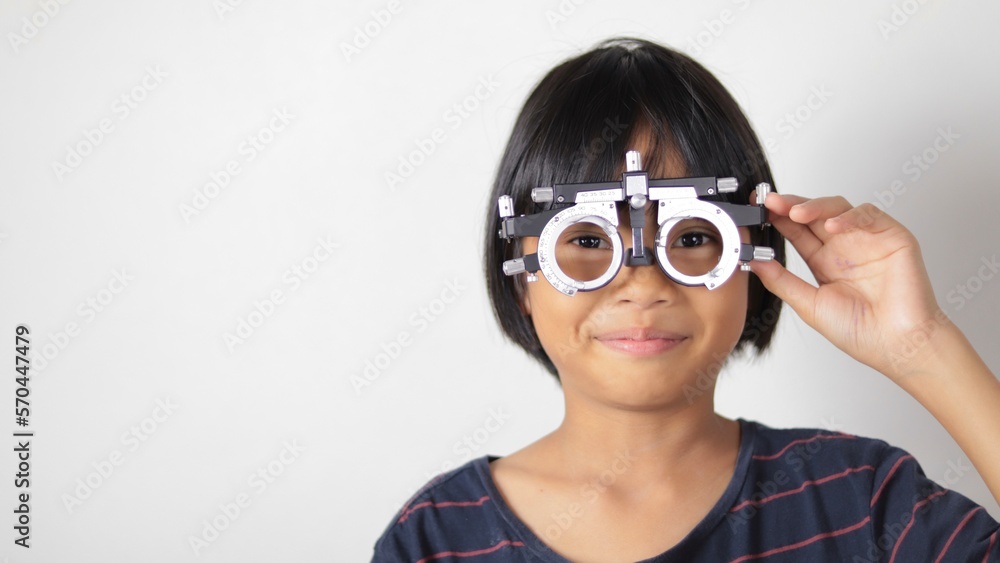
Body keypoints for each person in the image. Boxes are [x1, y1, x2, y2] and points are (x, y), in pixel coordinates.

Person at [371, 38, 1000, 562]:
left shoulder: (861, 503)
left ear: (752, 259)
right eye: (586, 239)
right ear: (520, 278)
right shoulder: (436, 540)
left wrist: (924, 347)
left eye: (693, 237)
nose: (644, 284)